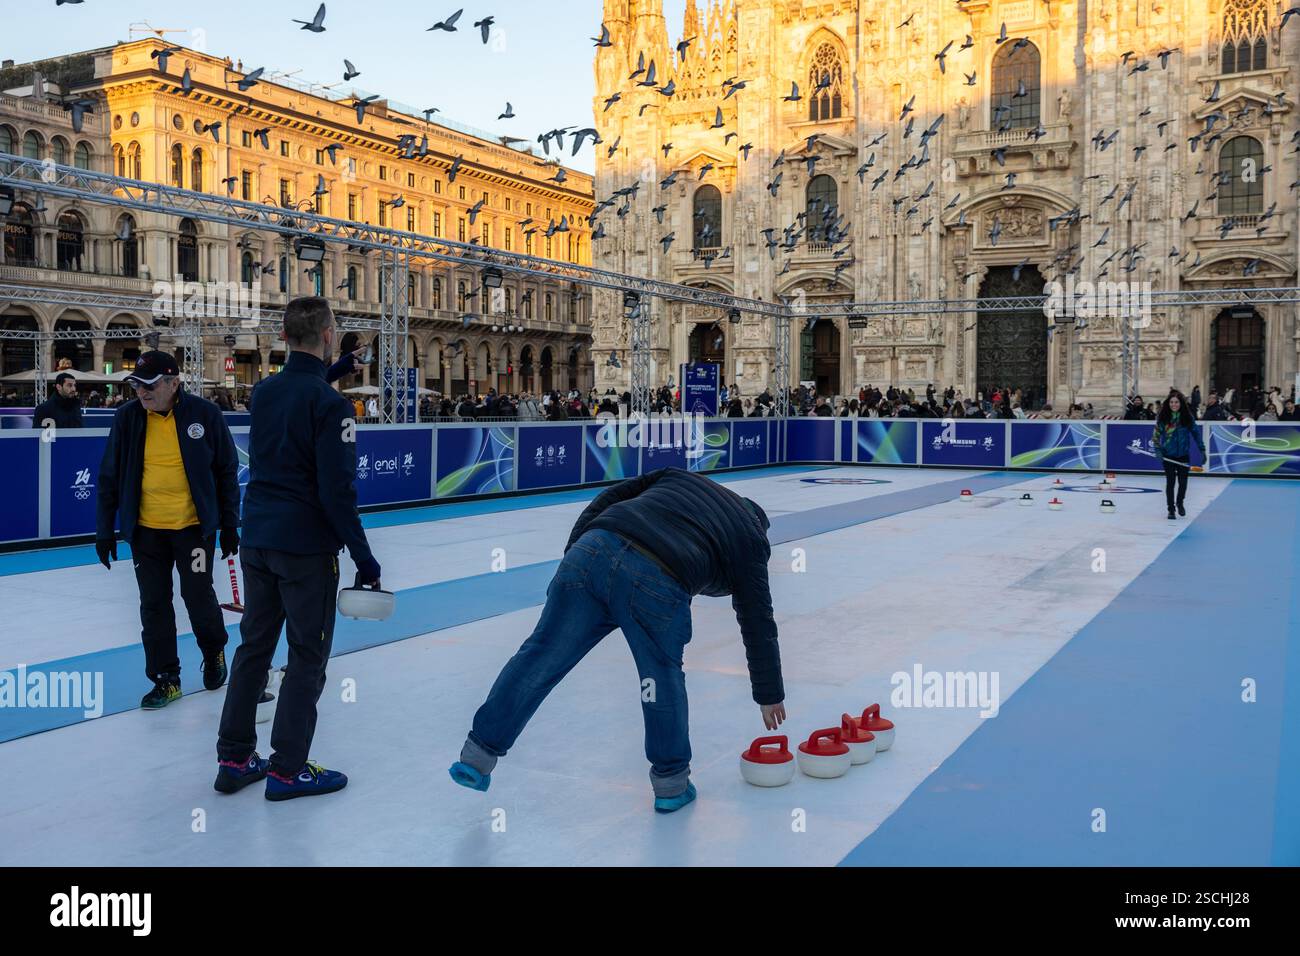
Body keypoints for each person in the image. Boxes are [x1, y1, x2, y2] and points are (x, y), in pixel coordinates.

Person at [449, 467, 785, 812]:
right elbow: (756, 618)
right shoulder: (750, 539)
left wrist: (575, 550)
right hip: (657, 579)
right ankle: (671, 784)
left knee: (540, 655)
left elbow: (608, 498)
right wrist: (769, 694)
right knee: (658, 678)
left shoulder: (680, 477)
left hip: (593, 550)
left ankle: (477, 756)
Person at [215, 297, 381, 800]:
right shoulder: (333, 406)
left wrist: (335, 368)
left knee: (253, 649)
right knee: (307, 656)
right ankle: (287, 768)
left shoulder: (264, 393)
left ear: (284, 337)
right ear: (329, 333)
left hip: (258, 536)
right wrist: (364, 556)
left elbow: (298, 389)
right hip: (305, 548)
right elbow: (337, 490)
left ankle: (234, 758)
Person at [95, 351, 240, 709]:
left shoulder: (204, 415)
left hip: (192, 529)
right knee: (154, 606)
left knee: (197, 596)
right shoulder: (128, 418)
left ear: (174, 383)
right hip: (146, 532)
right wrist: (104, 529)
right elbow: (109, 475)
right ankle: (166, 679)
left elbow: (226, 470)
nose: (142, 393)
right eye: (137, 386)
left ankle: (214, 651)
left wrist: (229, 524)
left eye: (150, 385)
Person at [1152, 390, 1205, 520]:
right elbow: (1156, 436)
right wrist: (1158, 450)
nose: (1174, 404)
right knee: (1170, 483)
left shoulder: (1187, 417)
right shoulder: (1163, 417)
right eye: (1171, 402)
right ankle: (1171, 509)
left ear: (1181, 403)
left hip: (1183, 455)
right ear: (1168, 403)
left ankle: (1180, 502)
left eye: (1176, 402)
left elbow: (1196, 434)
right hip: (1168, 455)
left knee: (1183, 482)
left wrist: (1201, 449)